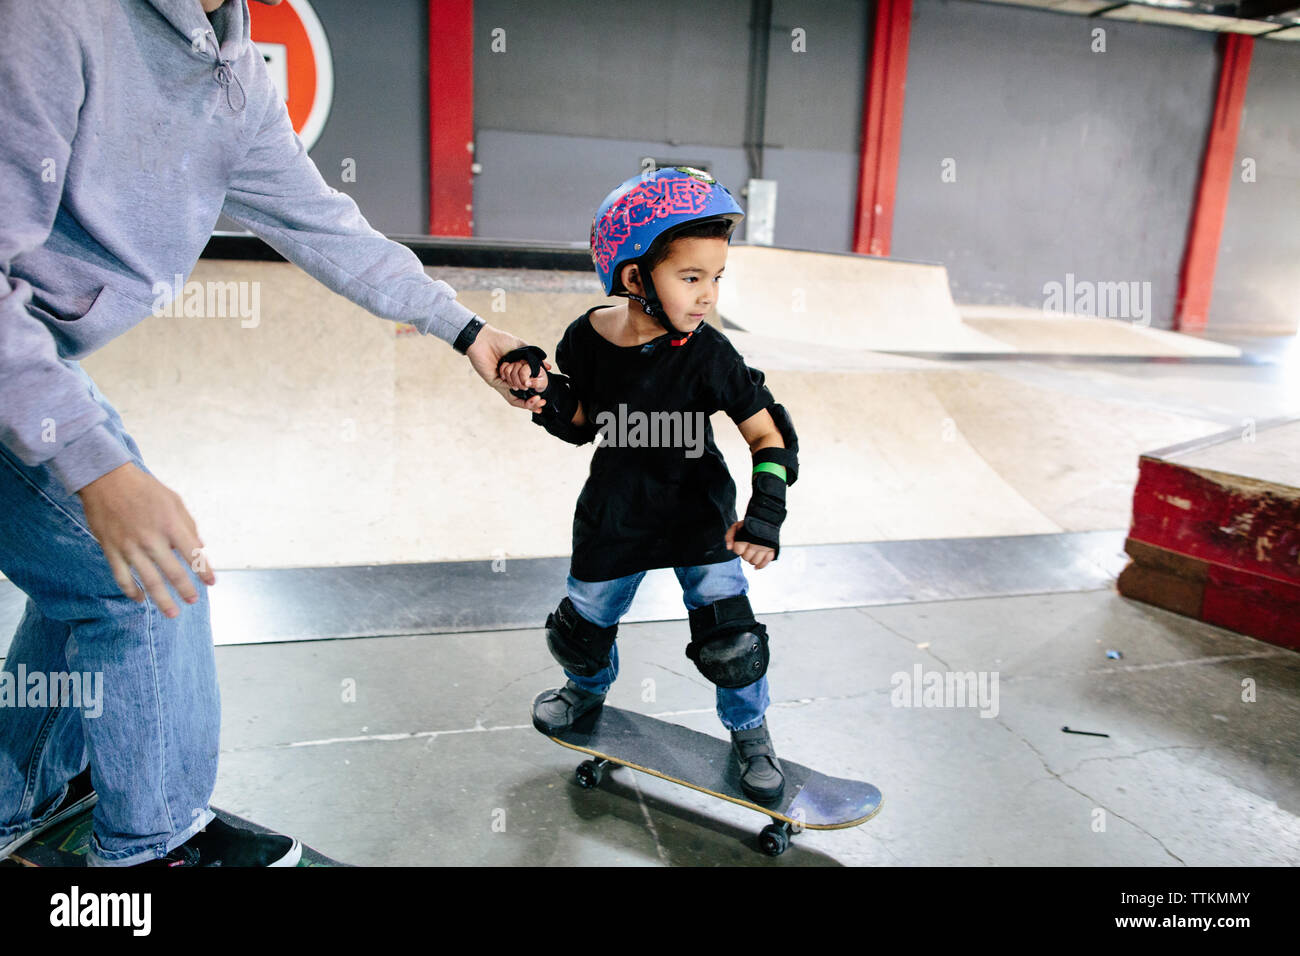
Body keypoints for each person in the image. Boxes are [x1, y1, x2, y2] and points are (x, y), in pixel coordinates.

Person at [0, 0, 532, 866]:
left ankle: (20, 794)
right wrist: (95, 466)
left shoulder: (236, 75)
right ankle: (153, 852)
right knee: (150, 578)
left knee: (109, 571)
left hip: (32, 362)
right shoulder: (52, 17)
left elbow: (326, 226)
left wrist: (467, 330)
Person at [497, 167, 800, 802]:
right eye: (691, 277)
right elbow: (583, 425)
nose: (707, 295)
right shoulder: (584, 339)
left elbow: (768, 436)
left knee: (731, 641)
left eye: (716, 278)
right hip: (616, 511)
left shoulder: (710, 354)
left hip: (700, 514)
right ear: (635, 279)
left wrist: (765, 515)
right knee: (580, 630)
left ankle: (750, 731)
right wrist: (544, 392)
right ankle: (586, 690)